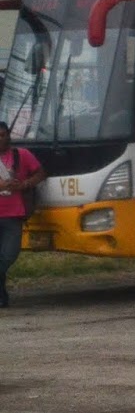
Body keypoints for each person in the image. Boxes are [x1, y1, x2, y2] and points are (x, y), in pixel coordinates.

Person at [0, 121, 45, 307]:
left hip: (14, 214)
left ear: (9, 136)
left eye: (3, 135)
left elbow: (40, 173)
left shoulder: (21, 155)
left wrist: (24, 184)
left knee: (8, 255)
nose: (0, 139)